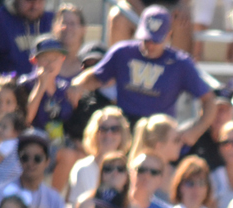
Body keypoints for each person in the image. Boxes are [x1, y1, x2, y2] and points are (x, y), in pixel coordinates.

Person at [72, 6, 217, 151]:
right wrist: (78, 85)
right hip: (125, 129)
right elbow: (96, 76)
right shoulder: (122, 52)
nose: (150, 45)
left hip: (159, 132)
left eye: (156, 40)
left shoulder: (180, 63)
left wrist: (195, 131)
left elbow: (209, 100)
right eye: (147, 39)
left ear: (168, 35)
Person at [0, 132, 69, 208]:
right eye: (25, 158)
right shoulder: (3, 192)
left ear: (47, 162)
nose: (30, 163)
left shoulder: (53, 198)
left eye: (37, 158)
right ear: (19, 160)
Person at [66, 106, 128, 208]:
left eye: (114, 129)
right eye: (103, 129)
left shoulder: (129, 169)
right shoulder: (83, 168)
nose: (108, 134)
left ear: (122, 134)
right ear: (94, 133)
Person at [20, 35, 77, 142]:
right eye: (45, 58)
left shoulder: (65, 89)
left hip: (60, 144)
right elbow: (25, 120)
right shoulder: (25, 85)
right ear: (34, 60)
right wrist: (40, 86)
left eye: (55, 58)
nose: (50, 63)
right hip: (32, 143)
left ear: (62, 59)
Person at [0, 0, 52, 79]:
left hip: (47, 84)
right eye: (30, 1)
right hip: (7, 83)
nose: (35, 6)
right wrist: (1, 82)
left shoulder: (52, 21)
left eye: (40, 2)